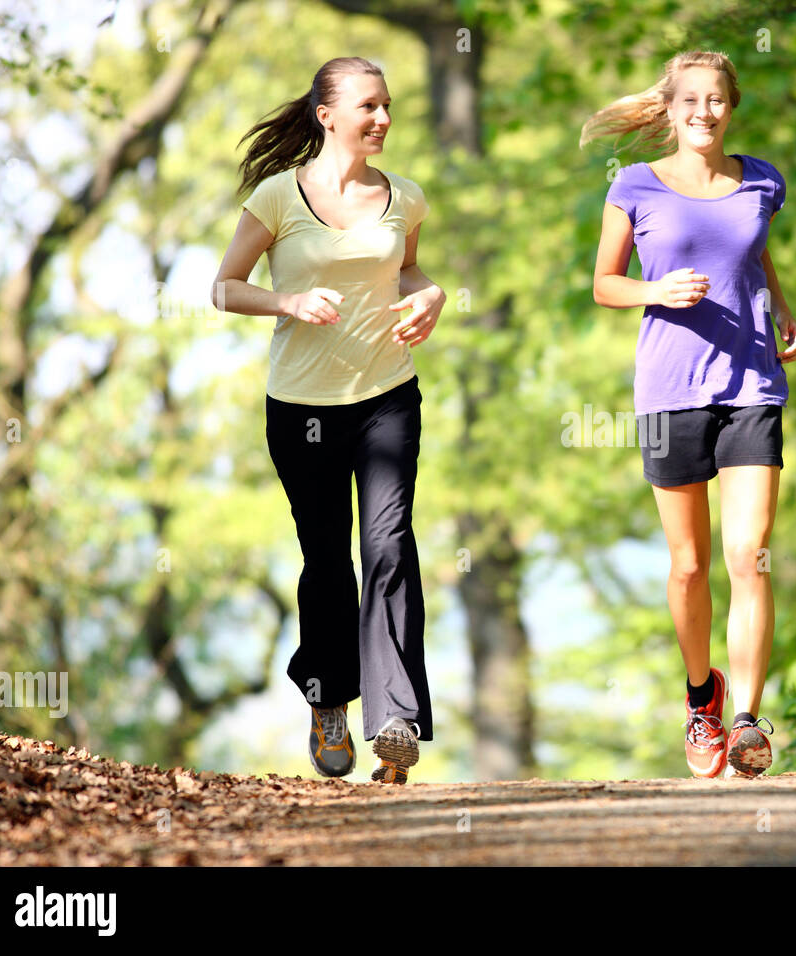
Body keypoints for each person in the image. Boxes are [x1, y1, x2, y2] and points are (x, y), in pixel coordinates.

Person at [211, 56, 445, 784]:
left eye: (386, 106)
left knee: (389, 548)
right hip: (302, 408)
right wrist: (286, 303)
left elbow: (405, 271)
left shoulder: (404, 197)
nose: (382, 119)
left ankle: (396, 720)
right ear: (328, 115)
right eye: (368, 107)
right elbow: (224, 288)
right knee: (327, 561)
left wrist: (430, 294)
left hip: (386, 396)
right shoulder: (279, 197)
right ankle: (327, 698)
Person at [583, 50, 796, 779]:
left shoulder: (762, 179)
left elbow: (756, 259)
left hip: (751, 385)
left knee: (750, 555)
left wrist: (784, 313)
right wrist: (657, 292)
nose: (704, 112)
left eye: (716, 100)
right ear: (670, 110)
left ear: (730, 106)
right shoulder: (635, 184)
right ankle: (701, 696)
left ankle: (746, 719)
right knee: (688, 567)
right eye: (691, 101)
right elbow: (604, 285)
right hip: (667, 392)